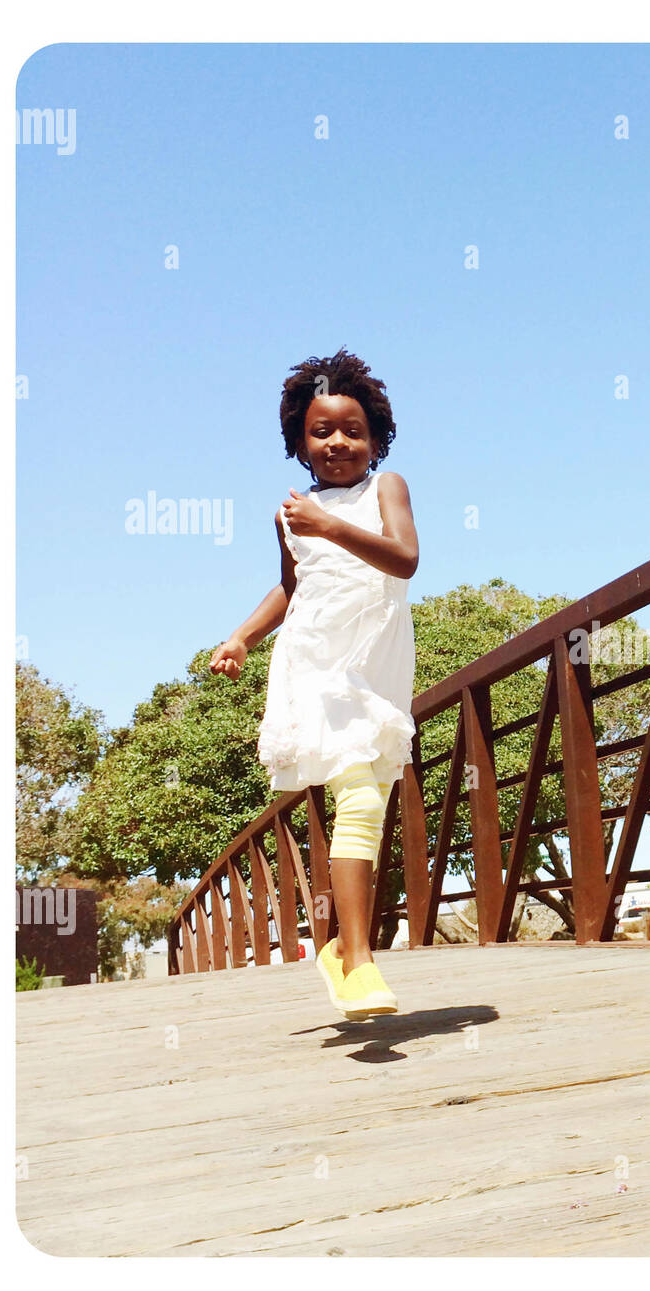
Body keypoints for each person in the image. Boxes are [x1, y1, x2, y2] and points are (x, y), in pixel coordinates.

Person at [210, 348, 419, 1020]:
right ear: (299, 442)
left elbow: (406, 559)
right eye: (322, 431)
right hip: (317, 665)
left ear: (377, 440)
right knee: (356, 797)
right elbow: (292, 588)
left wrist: (330, 524)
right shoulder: (290, 515)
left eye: (353, 431)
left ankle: (344, 952)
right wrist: (243, 635)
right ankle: (355, 957)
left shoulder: (385, 491)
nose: (338, 442)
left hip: (376, 662)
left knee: (368, 798)